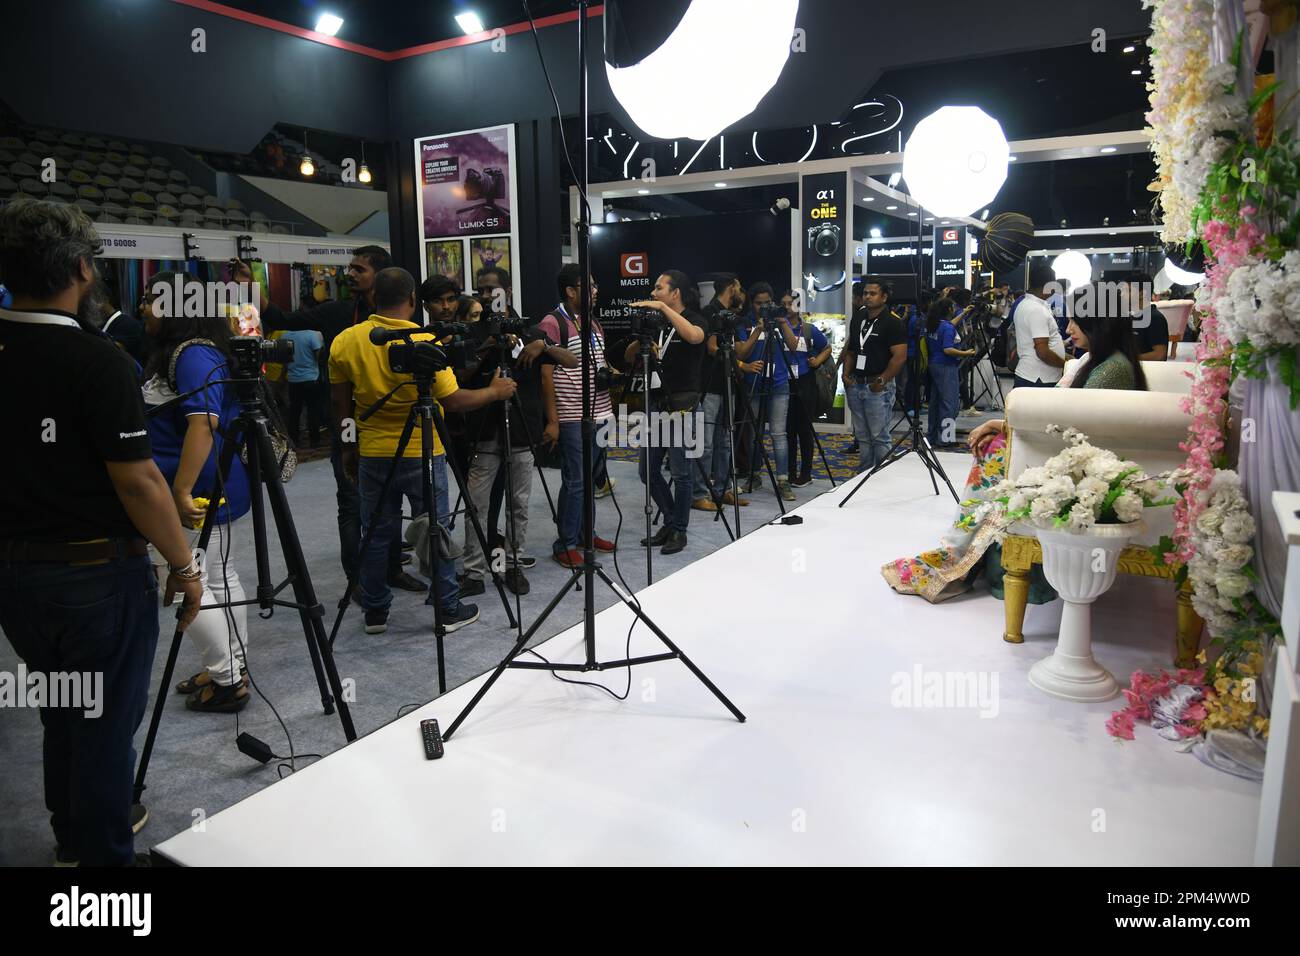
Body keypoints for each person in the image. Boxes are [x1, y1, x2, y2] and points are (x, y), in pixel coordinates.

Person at [0, 199, 202, 866]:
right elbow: (138, 481)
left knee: (63, 709)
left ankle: (71, 838)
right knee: (106, 726)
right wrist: (185, 564)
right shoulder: (97, 360)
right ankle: (104, 864)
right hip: (94, 576)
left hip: (17, 576)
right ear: (83, 269)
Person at [883, 291, 1148, 603]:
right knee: (992, 443)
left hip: (1073, 459)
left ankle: (959, 554)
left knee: (994, 450)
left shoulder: (1110, 369)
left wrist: (1000, 426)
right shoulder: (1103, 362)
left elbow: (1072, 427)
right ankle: (966, 552)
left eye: (1075, 321)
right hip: (1067, 448)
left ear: (1098, 323)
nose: (1068, 329)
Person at [328, 267, 517, 635]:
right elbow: (454, 399)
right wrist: (495, 392)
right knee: (435, 529)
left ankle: (376, 612)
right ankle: (447, 608)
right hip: (423, 449)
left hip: (371, 450)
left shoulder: (345, 341)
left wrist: (348, 447)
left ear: (374, 298)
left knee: (377, 532)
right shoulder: (425, 341)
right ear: (414, 300)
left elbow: (340, 404)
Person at [260, 247, 424, 594]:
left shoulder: (399, 316)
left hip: (392, 429)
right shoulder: (337, 312)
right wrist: (248, 287)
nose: (349, 274)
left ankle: (391, 570)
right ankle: (359, 581)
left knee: (390, 505)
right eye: (350, 268)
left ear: (379, 276)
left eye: (358, 269)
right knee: (351, 503)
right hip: (348, 421)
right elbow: (280, 319)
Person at [139, 271, 254, 713]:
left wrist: (181, 489)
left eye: (151, 299)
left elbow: (203, 422)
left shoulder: (193, 356)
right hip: (205, 484)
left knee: (197, 578)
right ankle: (232, 667)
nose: (144, 308)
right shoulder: (189, 352)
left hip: (196, 490)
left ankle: (228, 679)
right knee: (218, 576)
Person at [460, 319, 578, 596]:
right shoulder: (475, 334)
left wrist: (544, 345)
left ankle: (513, 564)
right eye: (487, 292)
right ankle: (474, 572)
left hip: (523, 431)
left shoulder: (534, 335)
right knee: (475, 504)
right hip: (485, 431)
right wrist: (487, 347)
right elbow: (461, 376)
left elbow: (571, 361)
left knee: (519, 504)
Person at [538, 264, 619, 567]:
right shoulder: (553, 322)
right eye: (590, 286)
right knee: (575, 480)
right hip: (572, 416)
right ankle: (566, 543)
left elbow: (598, 363)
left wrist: (611, 373)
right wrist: (553, 421)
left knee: (590, 479)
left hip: (601, 411)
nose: (596, 291)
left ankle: (586, 533)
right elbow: (546, 375)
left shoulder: (594, 324)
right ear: (571, 291)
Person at [626, 270, 708, 553]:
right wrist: (642, 340)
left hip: (682, 406)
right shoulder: (656, 323)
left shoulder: (695, 319)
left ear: (675, 293)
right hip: (655, 402)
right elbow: (628, 357)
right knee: (646, 470)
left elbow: (695, 338)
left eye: (659, 289)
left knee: (681, 472)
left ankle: (679, 530)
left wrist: (661, 308)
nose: (653, 293)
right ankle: (672, 520)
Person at [735, 282, 797, 500]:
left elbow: (793, 346)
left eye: (767, 303)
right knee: (754, 436)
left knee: (779, 434)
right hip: (754, 384)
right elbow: (741, 353)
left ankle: (783, 480)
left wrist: (782, 322)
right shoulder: (745, 323)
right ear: (752, 304)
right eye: (759, 303)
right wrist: (759, 329)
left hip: (779, 384)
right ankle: (754, 475)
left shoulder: (782, 321)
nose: (763, 307)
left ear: (773, 301)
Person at [693, 273, 748, 510]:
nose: (741, 291)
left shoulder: (730, 316)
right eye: (738, 287)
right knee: (705, 444)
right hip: (711, 386)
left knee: (724, 442)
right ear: (729, 288)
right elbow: (712, 348)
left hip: (728, 386)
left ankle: (722, 490)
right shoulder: (710, 313)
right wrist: (736, 360)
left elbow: (736, 349)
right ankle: (699, 494)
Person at [842, 277, 906, 472]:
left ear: (884, 297)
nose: (867, 297)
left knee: (879, 437)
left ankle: (883, 478)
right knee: (862, 436)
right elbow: (852, 349)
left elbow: (899, 357)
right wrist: (845, 375)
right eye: (865, 293)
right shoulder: (859, 317)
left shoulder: (893, 323)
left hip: (878, 387)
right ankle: (864, 475)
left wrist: (882, 380)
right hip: (856, 384)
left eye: (872, 293)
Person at [783, 298, 831, 487]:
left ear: (798, 307)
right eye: (783, 303)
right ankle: (790, 472)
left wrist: (818, 360)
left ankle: (806, 473)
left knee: (804, 429)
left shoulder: (809, 329)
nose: (786, 307)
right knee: (788, 431)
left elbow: (827, 347)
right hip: (783, 383)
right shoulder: (778, 329)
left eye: (790, 303)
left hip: (805, 382)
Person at [925, 298, 976, 449]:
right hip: (947, 366)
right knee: (950, 404)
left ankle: (932, 436)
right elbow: (948, 349)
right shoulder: (946, 328)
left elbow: (949, 326)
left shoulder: (934, 324)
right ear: (949, 309)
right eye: (953, 307)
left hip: (934, 365)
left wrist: (964, 314)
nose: (955, 308)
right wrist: (965, 352)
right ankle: (946, 439)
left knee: (936, 402)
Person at [1012, 262, 1067, 389]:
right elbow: (1042, 352)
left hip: (1032, 376)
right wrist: (1064, 365)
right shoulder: (1036, 310)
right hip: (1040, 379)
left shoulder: (1024, 304)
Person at [282, 327, 325, 447]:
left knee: (295, 411)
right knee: (313, 410)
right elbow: (318, 354)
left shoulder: (285, 336)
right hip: (311, 378)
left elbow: (283, 359)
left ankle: (294, 439)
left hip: (293, 379)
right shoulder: (311, 335)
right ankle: (315, 440)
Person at [1127, 271, 1170, 362]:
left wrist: (1128, 359)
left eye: (1129, 291)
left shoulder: (1155, 318)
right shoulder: (1131, 316)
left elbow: (1159, 355)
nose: (1123, 294)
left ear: (1142, 294)